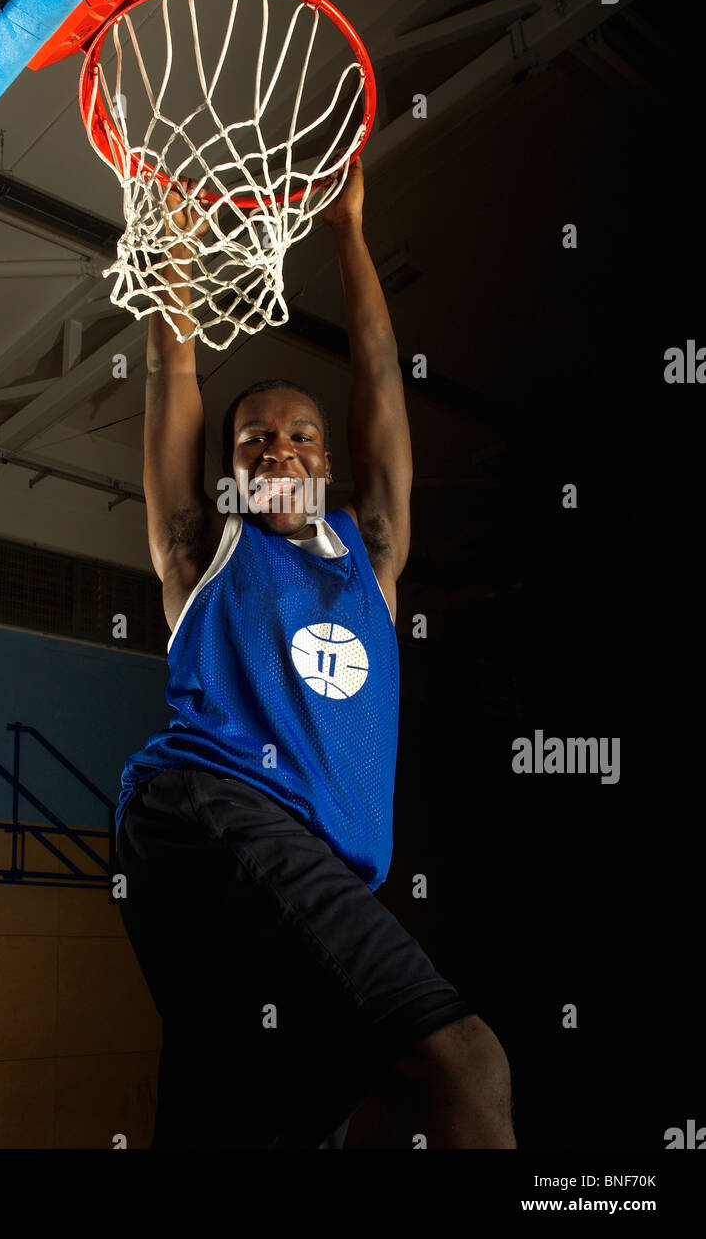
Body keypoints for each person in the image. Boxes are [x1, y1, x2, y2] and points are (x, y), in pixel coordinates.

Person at [114, 157, 516, 1149]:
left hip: (308, 869)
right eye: (253, 438)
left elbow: (379, 373)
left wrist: (348, 228)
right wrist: (176, 247)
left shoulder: (367, 557)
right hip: (209, 814)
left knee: (317, 1114)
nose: (277, 448)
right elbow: (174, 376)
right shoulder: (206, 550)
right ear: (231, 468)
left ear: (328, 460)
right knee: (468, 1060)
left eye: (298, 434)